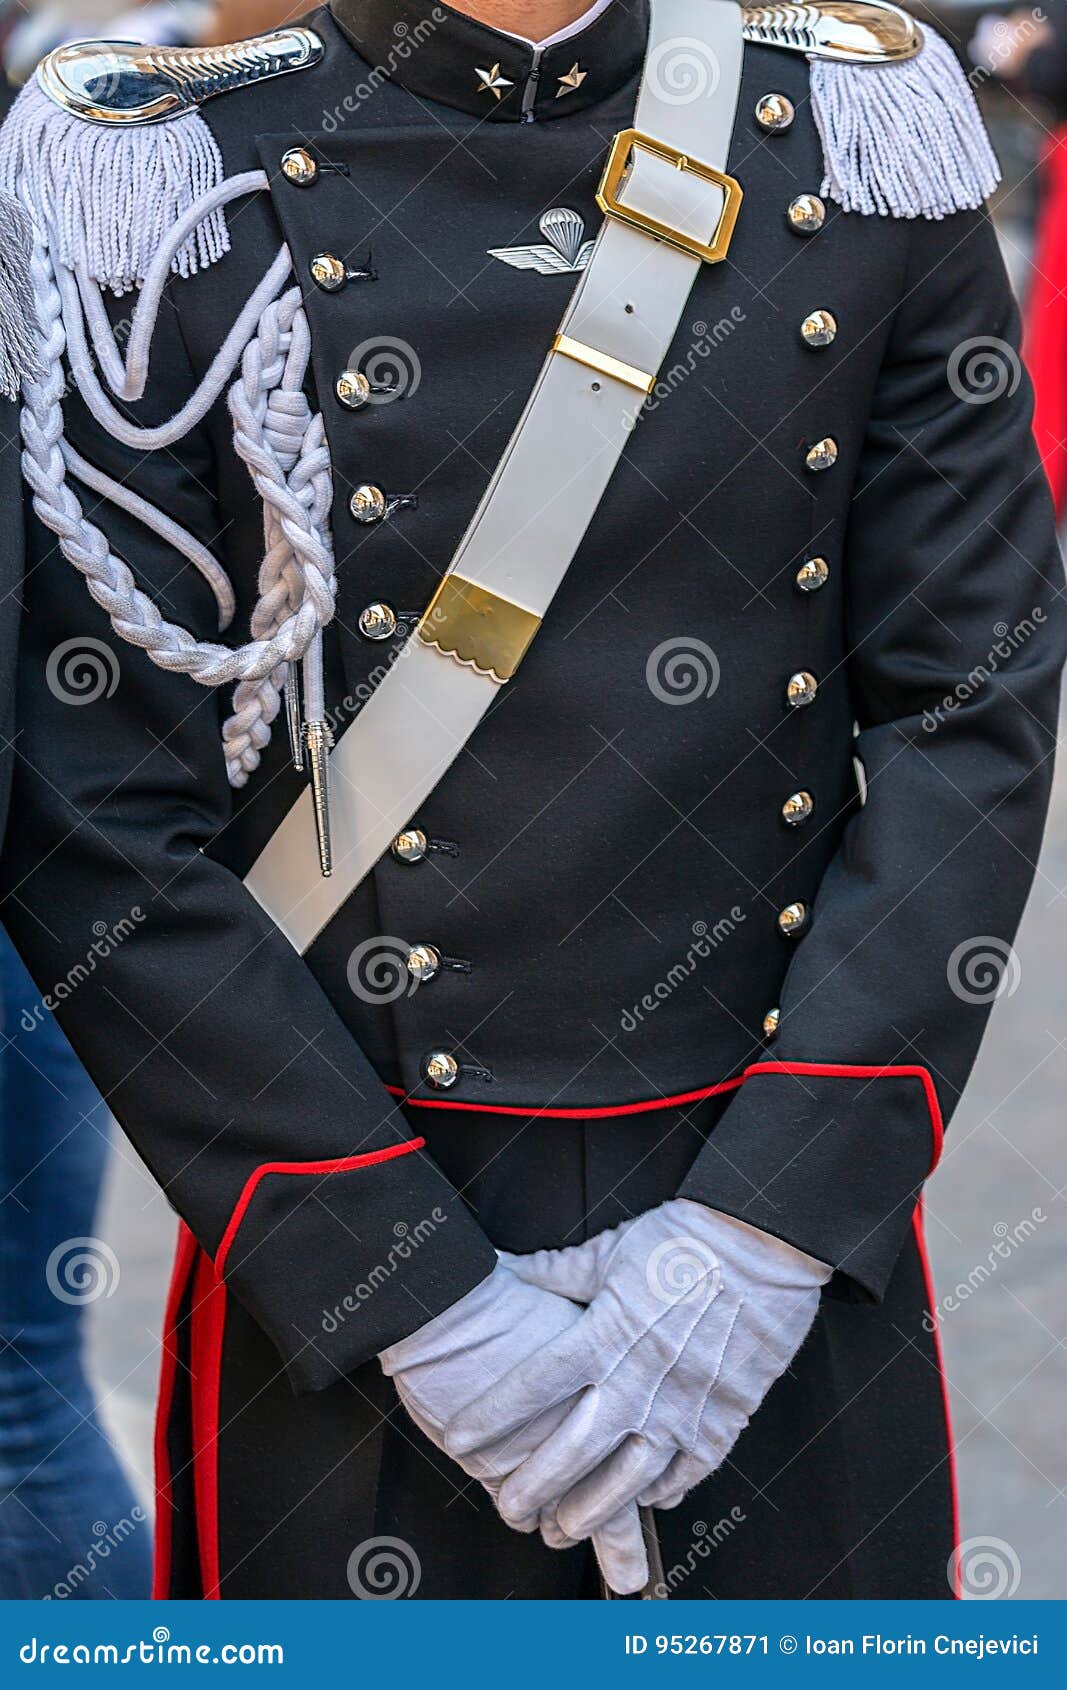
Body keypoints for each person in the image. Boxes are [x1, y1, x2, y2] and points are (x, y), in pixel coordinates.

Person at [0, 0, 1062, 1601]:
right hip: (358, 1238)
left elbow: (968, 708)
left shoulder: (856, 129)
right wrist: (413, 1294)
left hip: (768, 1224)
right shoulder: (167, 174)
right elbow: (94, 810)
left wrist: (763, 1239)